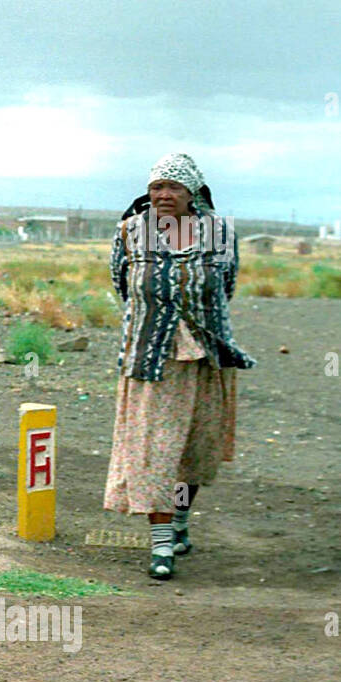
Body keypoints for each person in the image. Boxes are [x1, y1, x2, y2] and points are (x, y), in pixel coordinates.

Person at [103, 153, 257, 579]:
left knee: (193, 452)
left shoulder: (221, 233)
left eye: (174, 187)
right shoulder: (130, 232)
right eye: (157, 187)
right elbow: (123, 285)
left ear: (193, 192)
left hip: (207, 357)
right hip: (152, 360)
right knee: (154, 453)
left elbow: (226, 287)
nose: (164, 195)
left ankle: (181, 520)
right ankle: (161, 544)